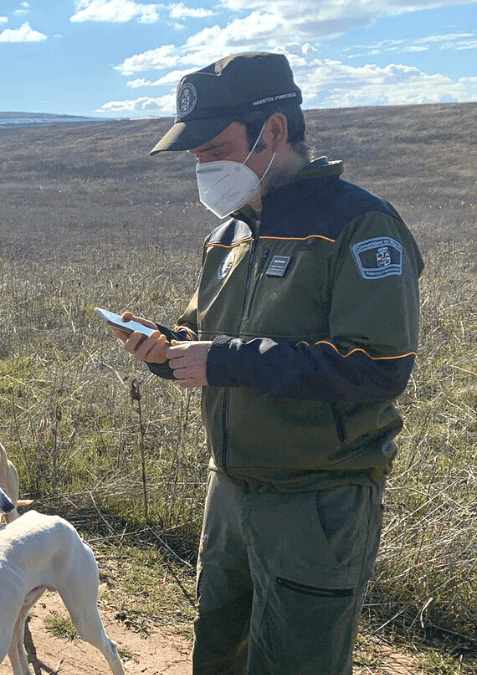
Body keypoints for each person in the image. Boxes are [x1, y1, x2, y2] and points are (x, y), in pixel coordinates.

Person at [112, 52, 423, 674]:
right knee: (219, 649)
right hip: (228, 488)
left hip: (314, 500)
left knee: (296, 662)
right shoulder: (231, 233)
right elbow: (210, 340)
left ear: (273, 131)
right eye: (193, 152)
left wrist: (224, 361)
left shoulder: (360, 225)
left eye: (215, 146)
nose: (203, 164)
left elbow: (377, 367)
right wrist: (165, 349)